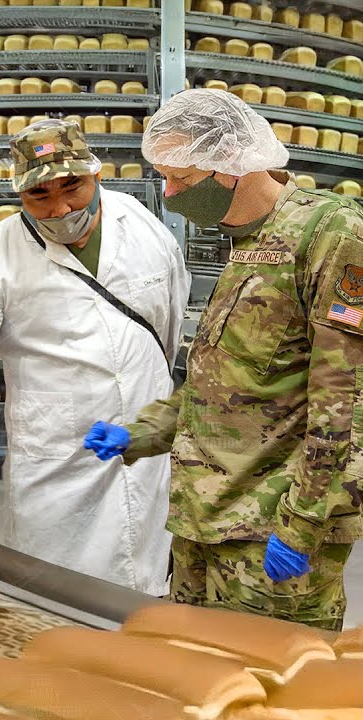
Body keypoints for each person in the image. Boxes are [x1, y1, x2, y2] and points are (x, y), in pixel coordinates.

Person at [85, 89, 363, 630]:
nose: (169, 194)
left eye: (181, 180)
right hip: (204, 517)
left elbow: (345, 402)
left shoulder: (332, 232)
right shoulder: (247, 241)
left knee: (276, 689)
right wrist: (144, 432)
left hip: (270, 527)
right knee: (198, 673)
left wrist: (303, 524)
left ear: (230, 168)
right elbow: (226, 377)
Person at [0, 119, 190, 595]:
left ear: (96, 173)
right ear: (19, 194)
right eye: (40, 196)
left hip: (143, 444)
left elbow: (170, 322)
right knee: (56, 599)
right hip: (58, 457)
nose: (60, 207)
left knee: (150, 589)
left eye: (73, 187)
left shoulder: (141, 224)